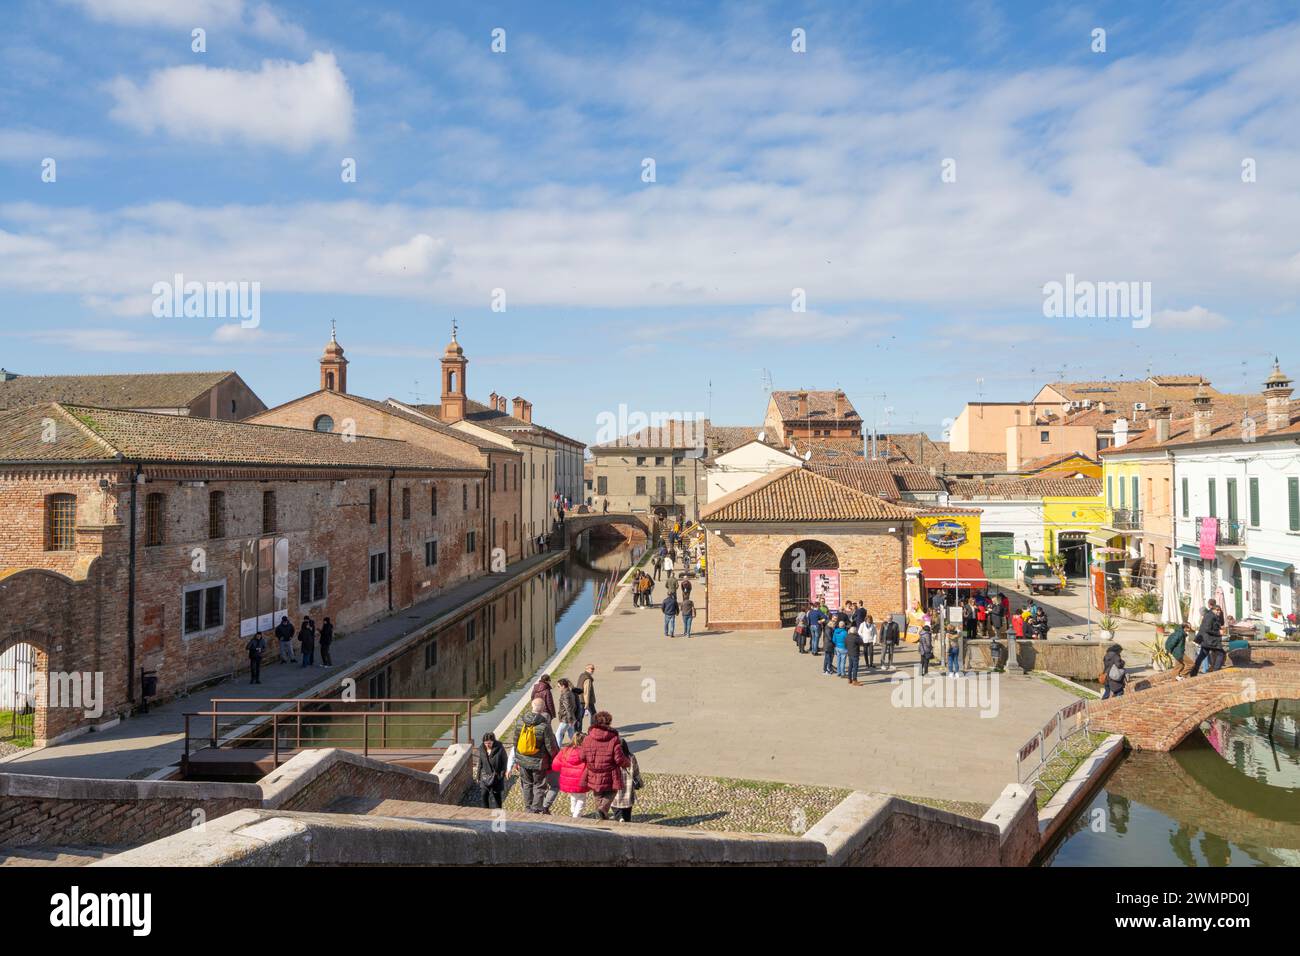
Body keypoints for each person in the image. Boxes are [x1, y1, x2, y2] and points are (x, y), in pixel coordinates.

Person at [580, 711, 631, 819]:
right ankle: (602, 810)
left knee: (598, 793)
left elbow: (582, 757)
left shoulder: (587, 738)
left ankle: (601, 815)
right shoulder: (613, 739)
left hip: (593, 772)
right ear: (608, 723)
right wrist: (627, 763)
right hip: (609, 773)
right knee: (612, 791)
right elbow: (619, 759)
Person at [512, 698, 559, 813]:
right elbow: (550, 746)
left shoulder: (520, 721)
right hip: (539, 762)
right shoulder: (544, 725)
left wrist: (517, 758)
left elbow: (515, 742)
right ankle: (536, 808)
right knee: (539, 785)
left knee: (527, 784)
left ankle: (528, 807)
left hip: (523, 760)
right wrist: (555, 758)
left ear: (531, 706)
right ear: (543, 709)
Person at [551, 731, 588, 817]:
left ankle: (573, 811)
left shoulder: (565, 750)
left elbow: (555, 765)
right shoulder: (585, 753)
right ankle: (576, 816)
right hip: (581, 780)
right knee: (581, 798)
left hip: (567, 780)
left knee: (573, 795)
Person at [610, 738, 643, 822]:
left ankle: (619, 818)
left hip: (616, 787)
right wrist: (640, 783)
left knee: (615, 805)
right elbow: (636, 772)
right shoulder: (631, 757)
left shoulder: (612, 758)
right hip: (628, 788)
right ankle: (626, 820)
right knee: (627, 810)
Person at [1190, 600, 1225, 676]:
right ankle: (1216, 672)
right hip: (1210, 641)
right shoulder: (1210, 616)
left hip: (1207, 640)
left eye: (1220, 610)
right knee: (1221, 654)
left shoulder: (1211, 615)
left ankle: (1193, 673)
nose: (1219, 612)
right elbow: (1207, 629)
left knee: (1201, 656)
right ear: (1213, 609)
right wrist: (1218, 632)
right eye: (1217, 610)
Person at [477, 732, 508, 809]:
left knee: (497, 797)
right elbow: (480, 763)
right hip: (485, 776)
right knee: (484, 795)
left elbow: (505, 761)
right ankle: (486, 813)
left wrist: (501, 774)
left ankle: (498, 814)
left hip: (496, 777)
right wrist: (478, 775)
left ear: (493, 741)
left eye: (489, 743)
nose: (487, 745)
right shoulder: (482, 749)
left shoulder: (500, 748)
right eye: (486, 743)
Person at [555, 677, 578, 744]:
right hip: (570, 717)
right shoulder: (570, 692)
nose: (558, 688)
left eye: (559, 686)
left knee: (558, 734)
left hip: (566, 718)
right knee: (571, 735)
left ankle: (558, 750)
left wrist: (570, 719)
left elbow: (568, 708)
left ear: (563, 686)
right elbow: (573, 706)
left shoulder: (565, 695)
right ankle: (576, 748)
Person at [575, 664, 596, 731]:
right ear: (587, 669)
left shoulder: (582, 675)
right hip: (586, 701)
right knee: (594, 715)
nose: (593, 670)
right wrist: (587, 703)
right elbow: (586, 692)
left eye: (593, 669)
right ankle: (592, 730)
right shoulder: (587, 679)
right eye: (591, 668)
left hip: (579, 699)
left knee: (579, 717)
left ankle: (577, 732)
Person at [845, 620, 863, 685]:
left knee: (850, 666)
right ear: (855, 631)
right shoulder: (856, 637)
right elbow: (861, 642)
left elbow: (845, 645)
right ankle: (854, 680)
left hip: (849, 653)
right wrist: (858, 635)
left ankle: (849, 679)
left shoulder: (847, 636)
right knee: (855, 667)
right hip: (855, 654)